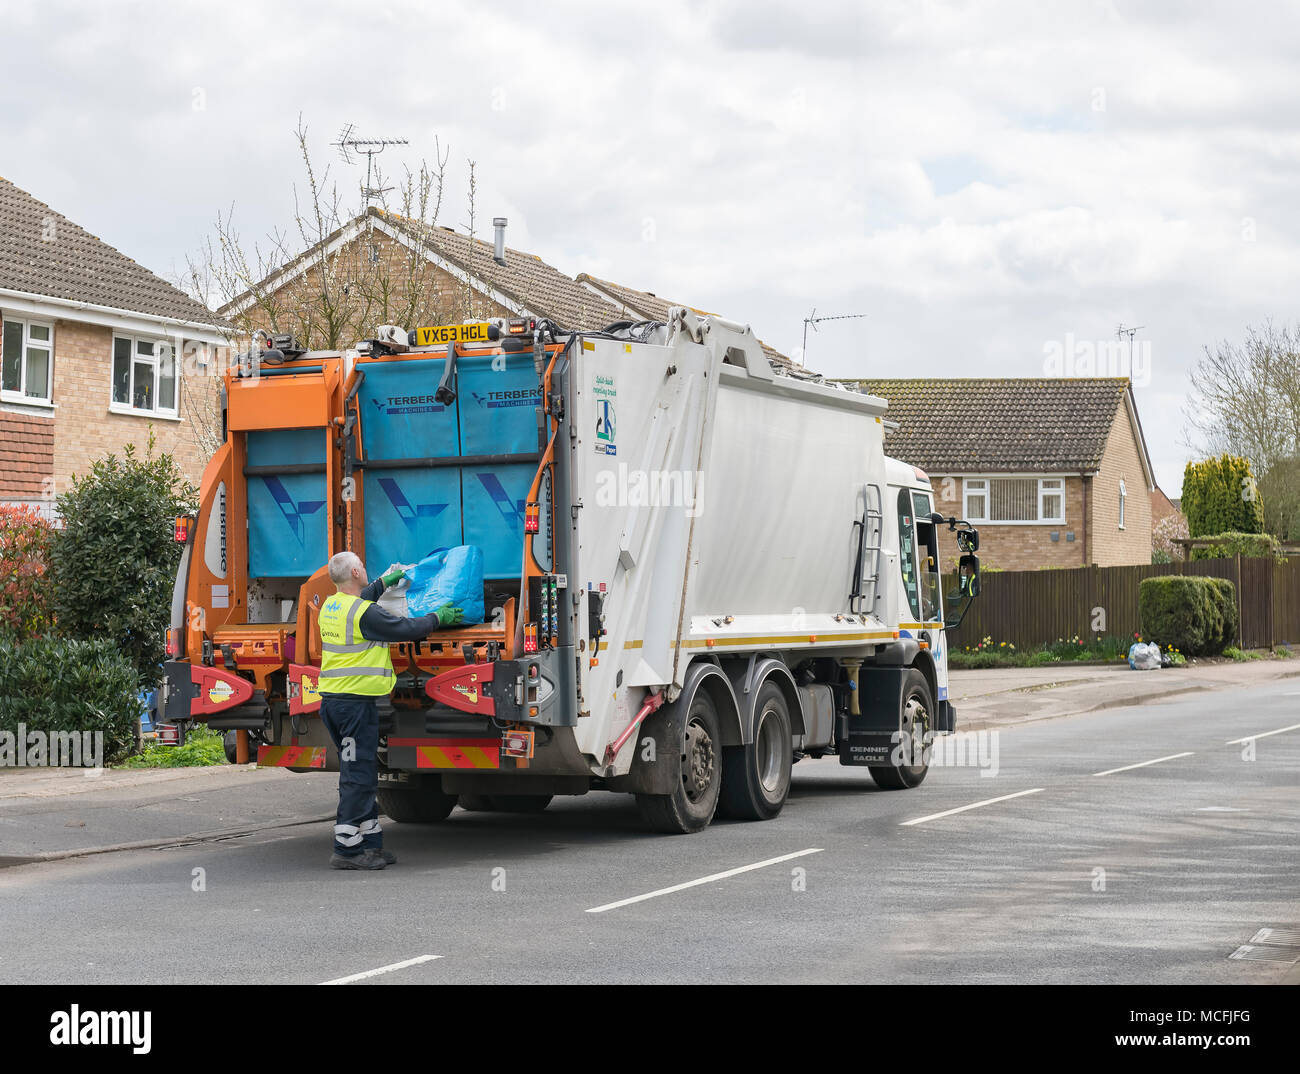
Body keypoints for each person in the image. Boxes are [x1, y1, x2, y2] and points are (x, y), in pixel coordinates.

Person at [317, 550, 463, 870]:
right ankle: (346, 848)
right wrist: (439, 618)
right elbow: (405, 628)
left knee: (364, 771)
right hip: (353, 705)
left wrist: (384, 582)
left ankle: (370, 843)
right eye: (364, 568)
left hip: (336, 703)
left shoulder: (332, 604)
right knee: (358, 775)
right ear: (356, 571)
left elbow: (362, 599)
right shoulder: (366, 614)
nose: (367, 572)